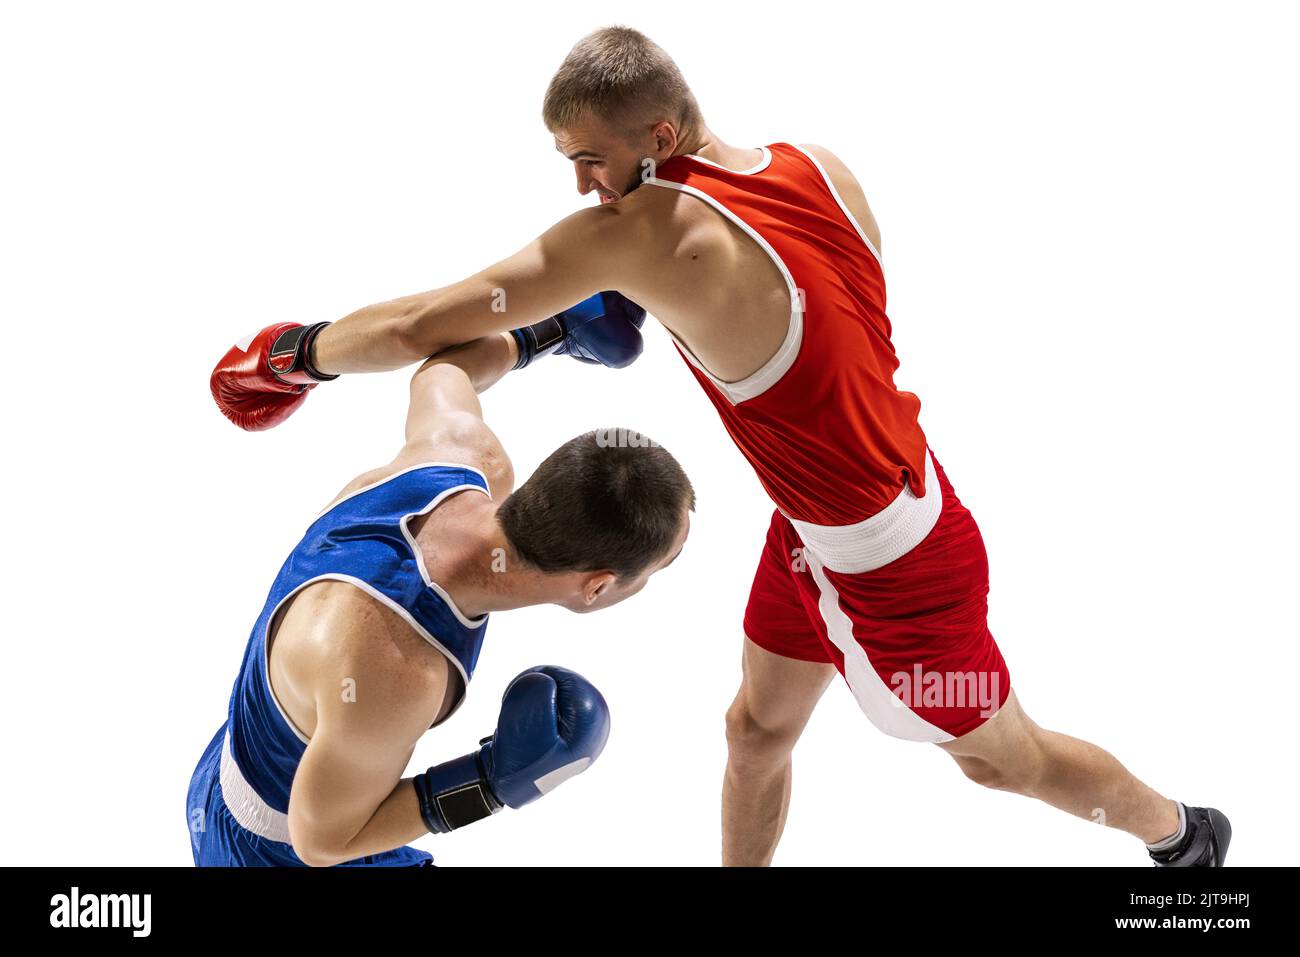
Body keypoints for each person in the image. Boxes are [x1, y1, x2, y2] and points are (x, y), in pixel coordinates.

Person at [209, 26, 1229, 867]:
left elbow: (418, 328)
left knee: (1001, 760)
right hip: (815, 534)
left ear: (656, 132)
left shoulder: (647, 234)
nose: (582, 189)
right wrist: (554, 330)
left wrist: (293, 356)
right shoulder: (816, 168)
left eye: (590, 161)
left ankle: (1180, 841)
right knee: (753, 734)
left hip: (904, 572)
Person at [192, 314, 694, 865]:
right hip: (276, 849)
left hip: (256, 759)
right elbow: (323, 843)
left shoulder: (458, 455)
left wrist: (551, 330)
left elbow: (445, 368)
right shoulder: (394, 670)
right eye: (659, 569)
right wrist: (492, 780)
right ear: (596, 587)